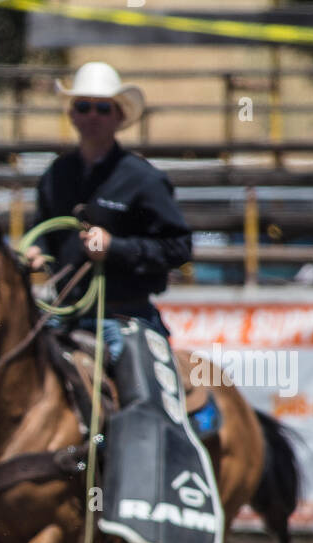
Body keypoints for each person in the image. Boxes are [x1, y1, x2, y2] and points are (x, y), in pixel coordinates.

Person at [24, 62, 192, 362]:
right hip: (65, 315)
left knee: (146, 405)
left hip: (126, 316)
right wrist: (37, 250)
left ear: (119, 116)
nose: (92, 116)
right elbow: (44, 229)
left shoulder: (144, 179)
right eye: (84, 106)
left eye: (102, 108)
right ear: (72, 113)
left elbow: (178, 247)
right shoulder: (57, 174)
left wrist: (115, 247)